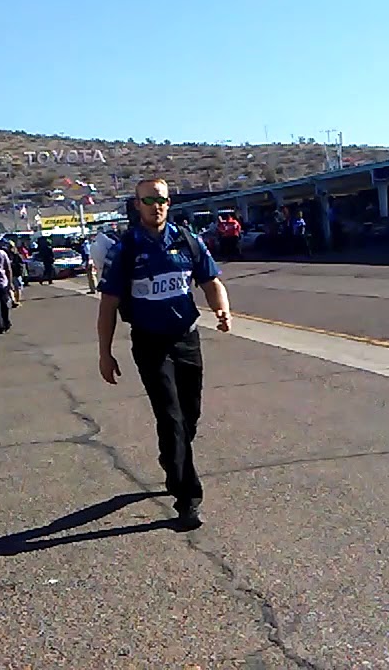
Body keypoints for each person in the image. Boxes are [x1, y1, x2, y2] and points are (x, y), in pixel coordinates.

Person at [96, 178, 231, 530]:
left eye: (162, 200)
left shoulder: (187, 240)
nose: (156, 206)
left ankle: (172, 459)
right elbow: (108, 304)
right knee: (171, 419)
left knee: (189, 417)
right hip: (150, 344)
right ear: (137, 205)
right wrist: (105, 353)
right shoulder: (125, 249)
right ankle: (187, 499)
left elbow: (211, 282)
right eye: (148, 200)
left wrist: (222, 310)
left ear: (169, 203)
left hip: (186, 339)